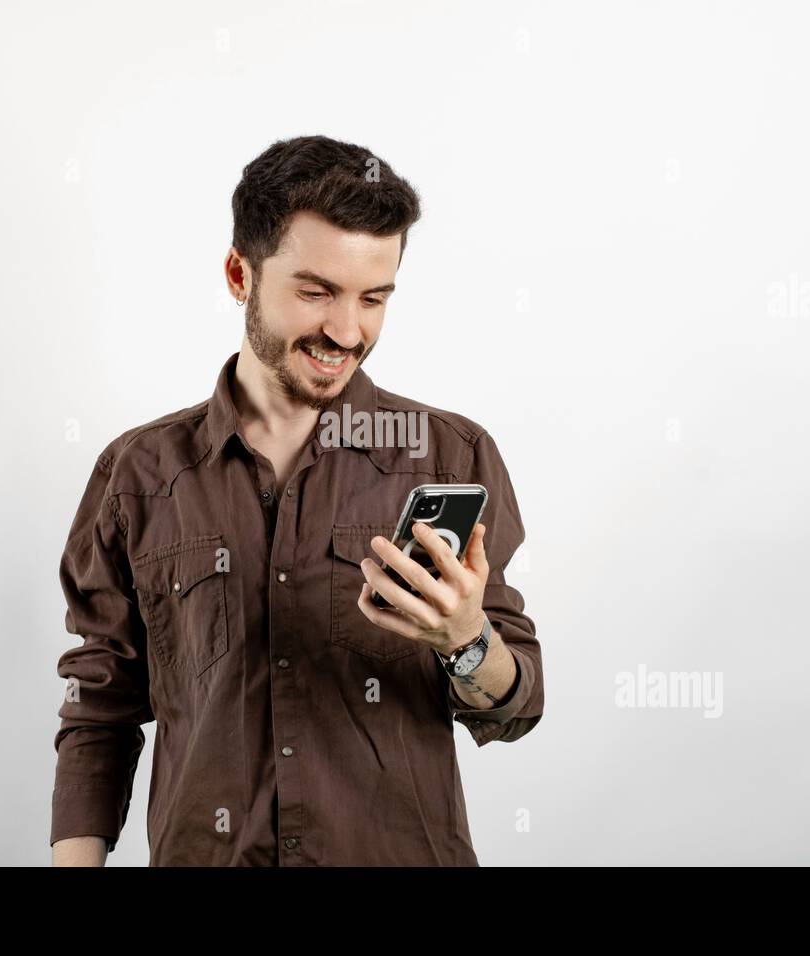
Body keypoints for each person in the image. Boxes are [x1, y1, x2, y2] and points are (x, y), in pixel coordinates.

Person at [49, 134, 543, 866]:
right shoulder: (138, 474)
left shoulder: (450, 457)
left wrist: (466, 640)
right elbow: (102, 706)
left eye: (373, 298)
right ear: (237, 274)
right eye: (316, 292)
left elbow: (515, 708)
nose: (347, 331)